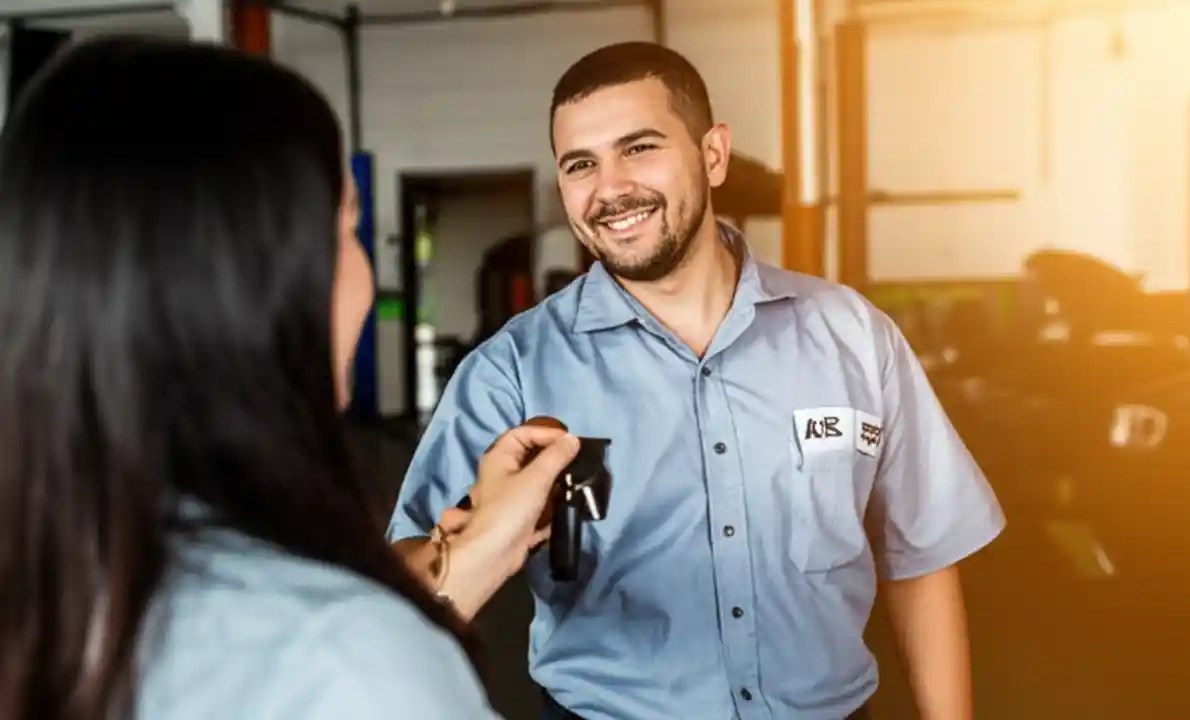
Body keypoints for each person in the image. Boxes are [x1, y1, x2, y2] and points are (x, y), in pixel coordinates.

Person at [390, 42, 1006, 720]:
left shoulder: (851, 336)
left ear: (712, 155)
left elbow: (919, 555)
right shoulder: (512, 372)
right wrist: (478, 543)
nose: (611, 187)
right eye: (581, 164)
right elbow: (400, 592)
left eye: (640, 147)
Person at [0, 37, 580, 720]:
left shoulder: (54, 585)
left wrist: (478, 548)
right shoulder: (346, 660)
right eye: (348, 229)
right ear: (258, 280)